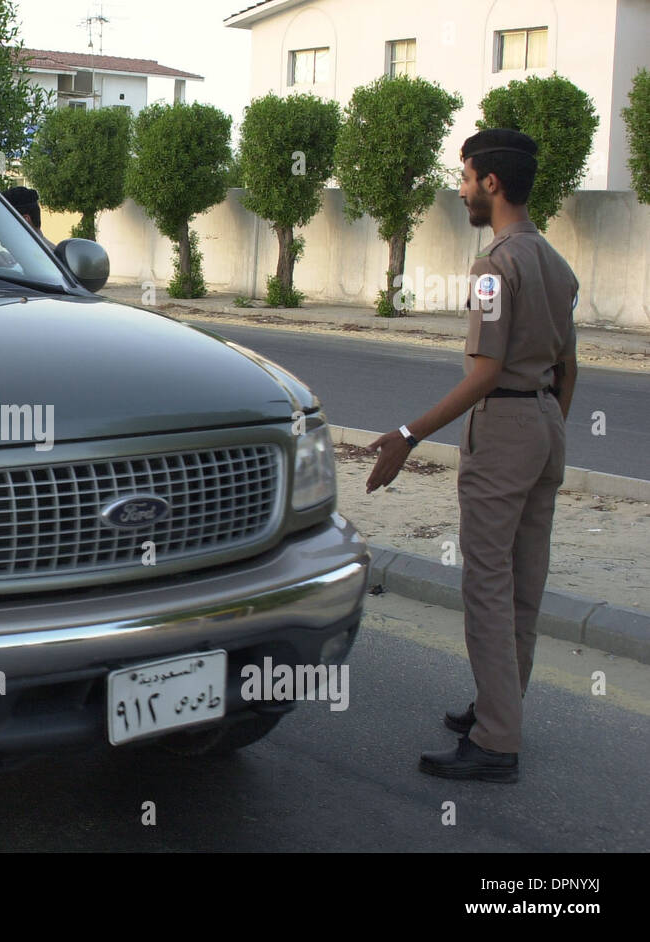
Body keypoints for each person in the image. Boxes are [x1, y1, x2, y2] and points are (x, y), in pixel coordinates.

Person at [364, 129, 578, 783]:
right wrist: (545, 432)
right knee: (523, 586)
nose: (459, 191)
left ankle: (495, 743)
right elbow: (568, 369)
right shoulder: (554, 261)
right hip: (544, 423)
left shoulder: (496, 266)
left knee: (486, 588)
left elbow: (484, 372)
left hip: (507, 422)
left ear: (491, 183)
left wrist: (408, 434)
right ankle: (499, 707)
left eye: (464, 178)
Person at [1, 185, 56, 250]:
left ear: (25, 221)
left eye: (4, 223)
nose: (1, 231)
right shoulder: (56, 255)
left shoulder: (6, 259)